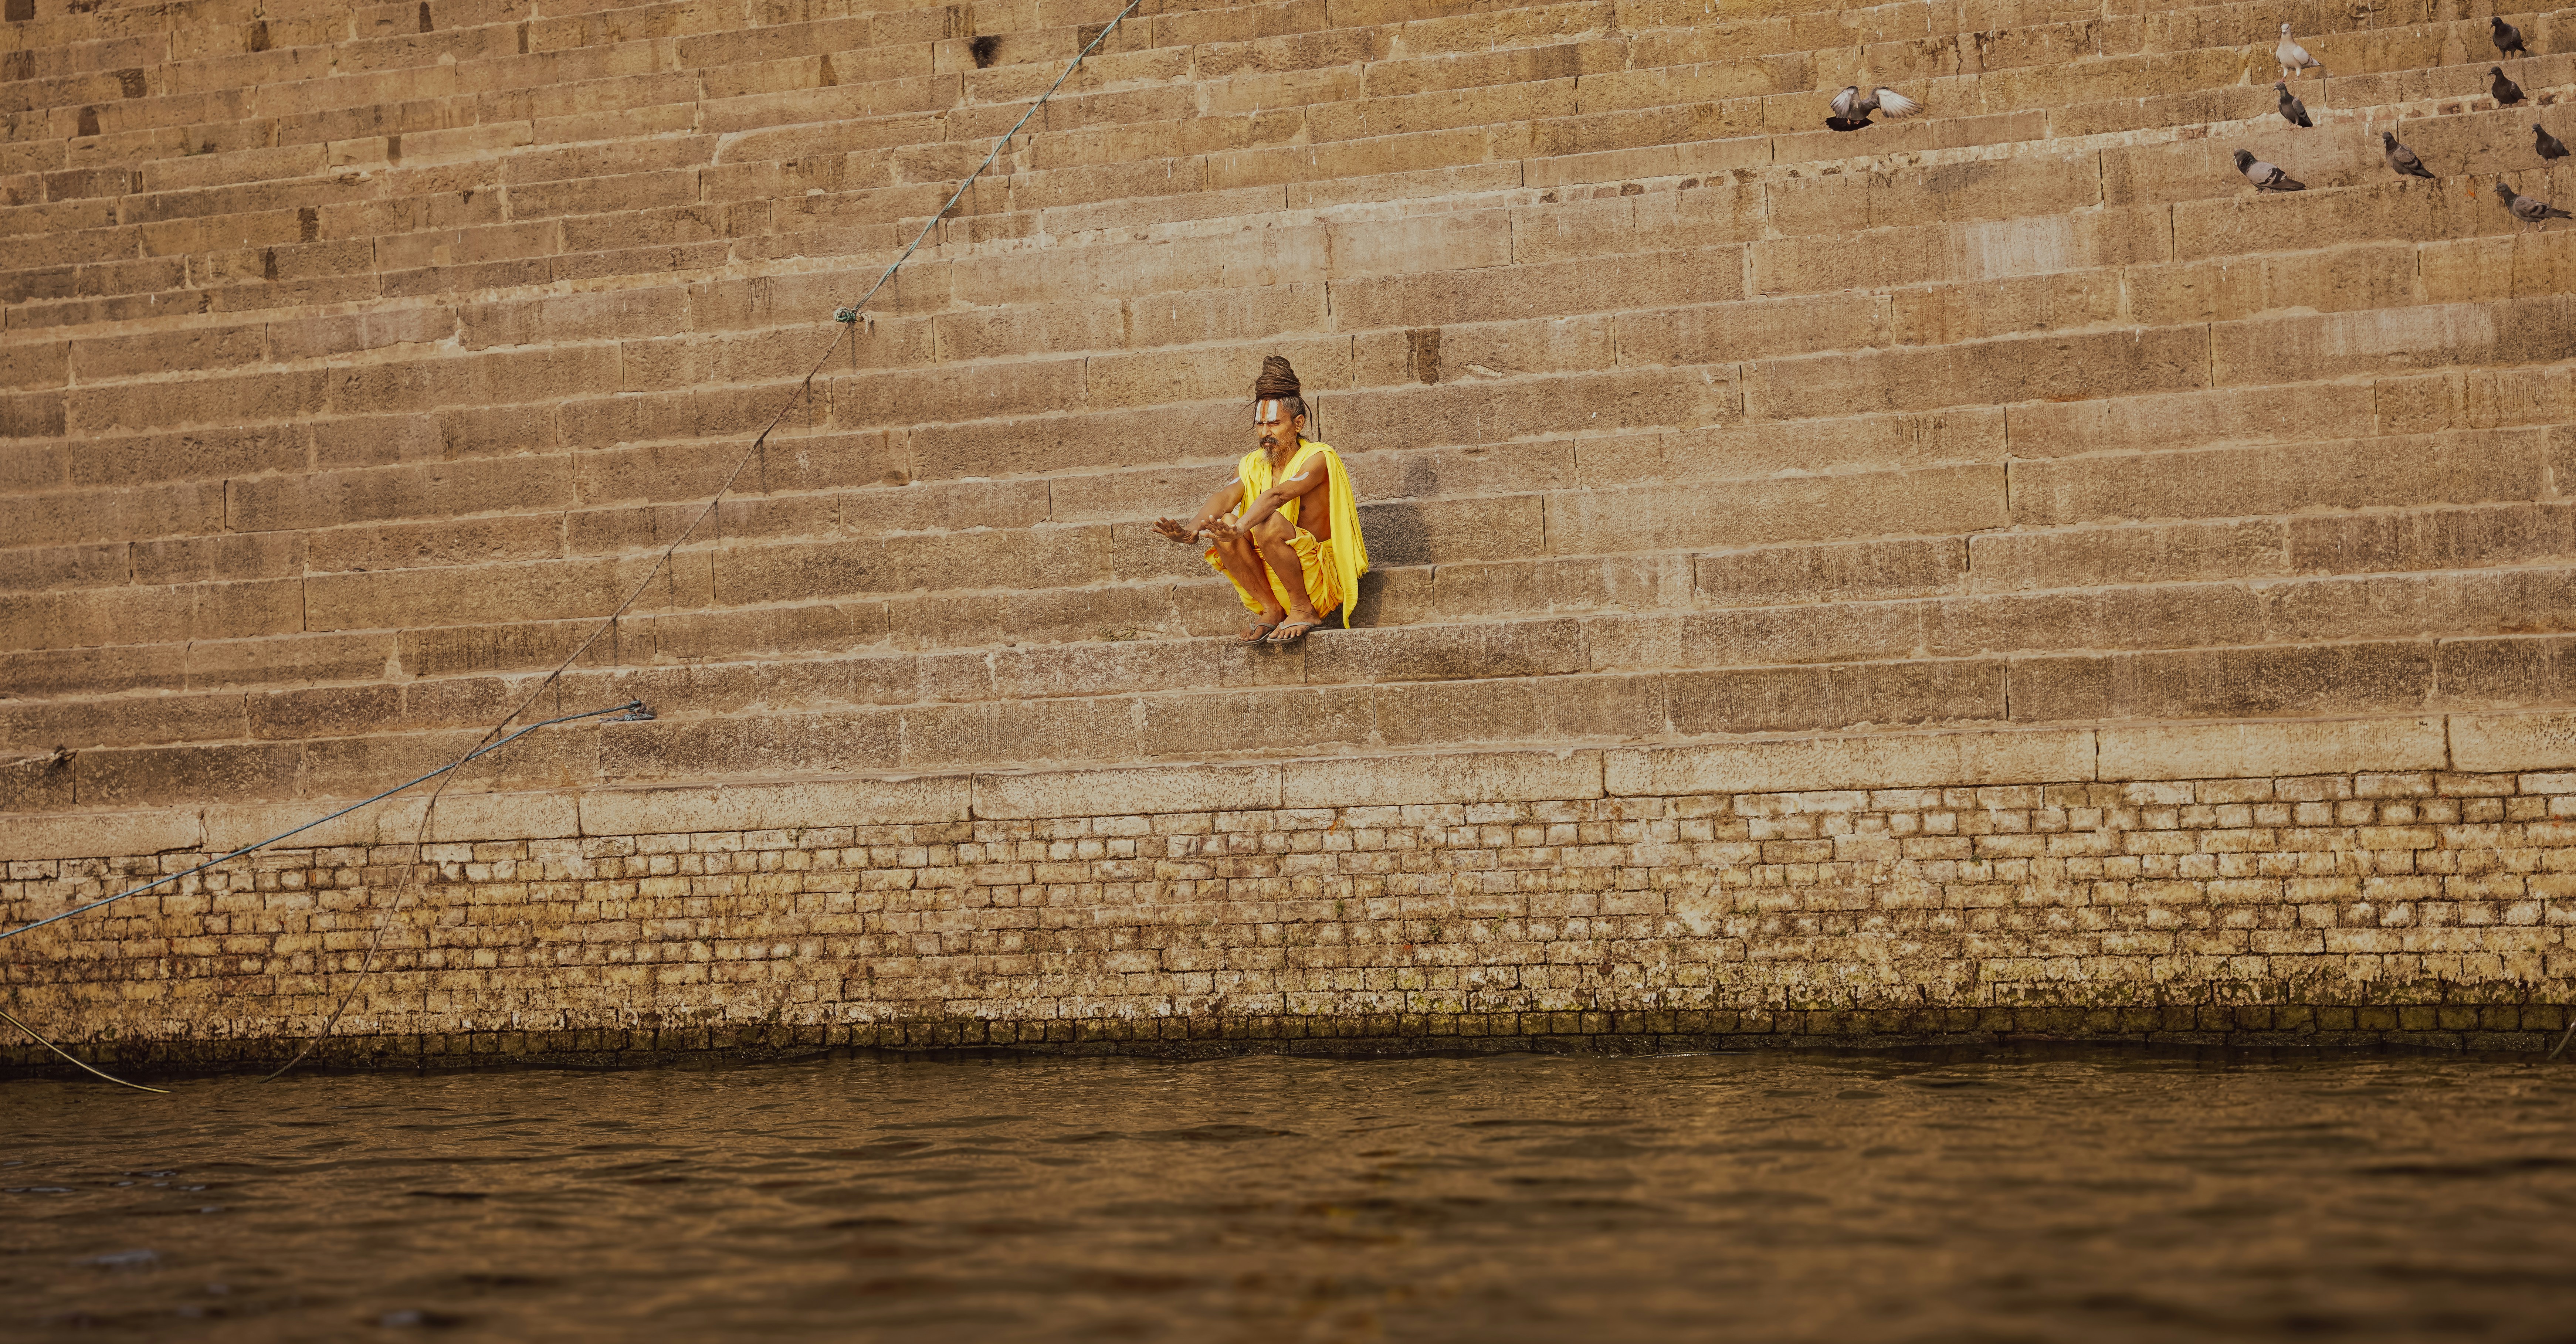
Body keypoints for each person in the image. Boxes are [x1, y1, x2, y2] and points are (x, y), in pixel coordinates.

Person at [1152, 356, 1368, 644]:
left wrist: (1241, 528)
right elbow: (1225, 496)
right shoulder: (1253, 463)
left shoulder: (1318, 458)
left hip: (1317, 582)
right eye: (1260, 424)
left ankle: (1303, 610)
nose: (1266, 433)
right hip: (1272, 578)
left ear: (1298, 422)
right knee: (1224, 523)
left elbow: (1277, 496)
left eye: (1275, 424)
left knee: (1265, 522)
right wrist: (1192, 530)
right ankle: (1272, 609)